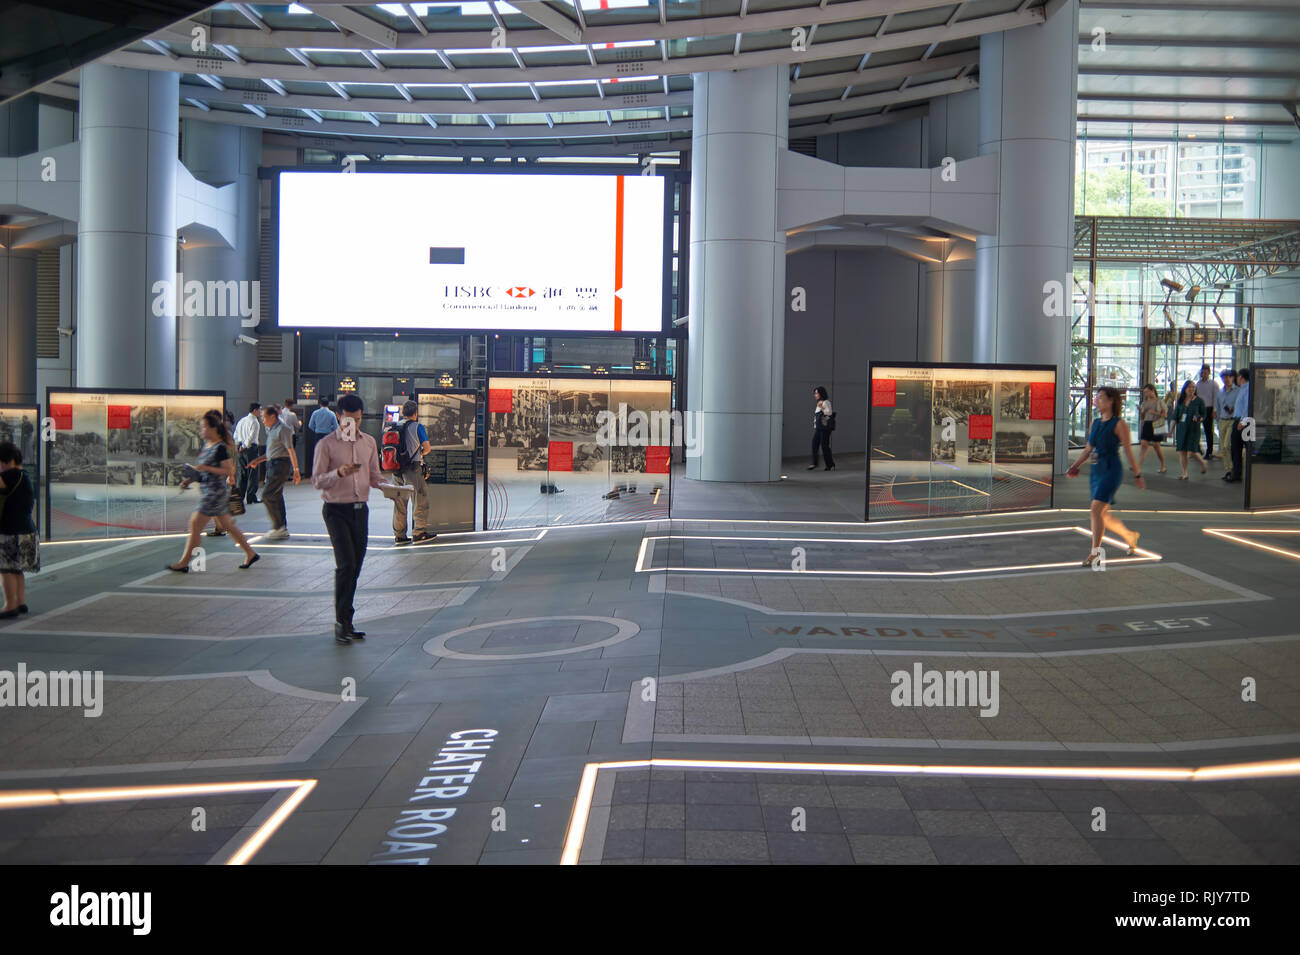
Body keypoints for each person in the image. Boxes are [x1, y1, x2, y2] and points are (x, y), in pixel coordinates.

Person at [312, 394, 384, 645]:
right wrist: (339, 473)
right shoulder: (326, 445)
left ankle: (347, 620)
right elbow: (317, 480)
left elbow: (375, 476)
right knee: (346, 564)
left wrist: (393, 488)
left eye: (358, 419)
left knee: (356, 566)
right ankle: (341, 621)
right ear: (339, 416)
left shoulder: (369, 443)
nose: (354, 424)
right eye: (349, 420)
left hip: (360, 510)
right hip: (335, 510)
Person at [167, 411, 259, 573]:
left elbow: (227, 469)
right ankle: (250, 553)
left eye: (203, 427)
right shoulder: (207, 446)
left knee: (195, 524)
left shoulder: (220, 448)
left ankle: (184, 562)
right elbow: (204, 471)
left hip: (214, 494)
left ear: (212, 428)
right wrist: (191, 478)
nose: (201, 430)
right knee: (227, 525)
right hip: (209, 490)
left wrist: (206, 468)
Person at [1066, 387, 1144, 566]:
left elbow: (1128, 452)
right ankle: (1130, 535)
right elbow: (1087, 450)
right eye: (1096, 397)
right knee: (1104, 515)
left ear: (1111, 402)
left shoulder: (1119, 424)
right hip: (1097, 470)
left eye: (1100, 398)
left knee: (1095, 509)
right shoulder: (1095, 423)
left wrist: (1137, 474)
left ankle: (1096, 554)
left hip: (1111, 470)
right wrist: (1074, 466)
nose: (1096, 400)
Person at [245, 405, 300, 540]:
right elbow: (271, 452)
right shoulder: (271, 430)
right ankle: (281, 527)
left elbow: (290, 450)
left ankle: (278, 526)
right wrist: (258, 460)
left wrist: (296, 470)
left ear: (272, 416)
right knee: (276, 495)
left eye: (264, 417)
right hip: (272, 464)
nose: (262, 419)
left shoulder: (283, 429)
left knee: (267, 495)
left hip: (280, 465)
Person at [0, 442, 39, 619]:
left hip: (9, 531)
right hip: (27, 530)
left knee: (5, 568)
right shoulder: (26, 476)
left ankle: (10, 605)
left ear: (6, 461)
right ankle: (20, 601)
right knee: (18, 569)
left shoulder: (7, 477)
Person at [391, 400, 436, 545]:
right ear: (415, 413)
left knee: (399, 502)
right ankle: (419, 533)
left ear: (403, 413)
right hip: (412, 469)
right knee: (420, 499)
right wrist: (420, 454)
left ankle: (400, 536)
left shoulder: (394, 426)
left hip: (396, 470)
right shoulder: (418, 427)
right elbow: (427, 447)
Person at [1172, 380, 1208, 479]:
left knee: (1192, 450)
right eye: (1189, 387)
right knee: (1182, 451)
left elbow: (1204, 414)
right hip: (1181, 429)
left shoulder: (1199, 401)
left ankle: (1203, 462)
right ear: (1185, 389)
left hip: (1193, 429)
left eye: (1193, 387)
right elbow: (1175, 417)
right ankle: (1184, 473)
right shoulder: (1180, 401)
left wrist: (1200, 418)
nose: (1192, 389)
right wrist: (1170, 430)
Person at [233, 402, 263, 505]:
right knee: (252, 474)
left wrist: (238, 446)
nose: (261, 412)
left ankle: (239, 496)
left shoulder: (242, 420)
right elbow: (251, 437)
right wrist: (244, 446)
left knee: (242, 473)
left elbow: (236, 434)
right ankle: (251, 497)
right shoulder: (255, 422)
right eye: (260, 410)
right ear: (255, 410)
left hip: (241, 449)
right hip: (251, 449)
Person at [1225, 368, 1250, 484]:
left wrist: (1243, 421)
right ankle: (1236, 473)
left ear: (1241, 377)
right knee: (1235, 448)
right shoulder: (1242, 389)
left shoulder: (1248, 388)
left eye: (1237, 377)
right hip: (1238, 420)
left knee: (1242, 448)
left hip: (1243, 422)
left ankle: (1239, 473)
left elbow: (1248, 406)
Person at [1136, 383, 1167, 474]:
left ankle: (1162, 465)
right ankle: (1138, 466)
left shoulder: (1160, 401)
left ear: (1152, 390)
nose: (1146, 394)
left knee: (1156, 446)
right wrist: (1141, 411)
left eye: (1147, 392)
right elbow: (1142, 417)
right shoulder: (1144, 403)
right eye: (1145, 392)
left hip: (1157, 424)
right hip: (1147, 423)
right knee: (1143, 444)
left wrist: (1153, 412)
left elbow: (1164, 415)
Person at [304, 396, 338, 479]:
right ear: (328, 404)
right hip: (328, 436)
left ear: (320, 404)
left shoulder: (315, 413)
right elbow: (336, 427)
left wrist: (316, 429)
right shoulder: (331, 413)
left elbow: (310, 425)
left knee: (318, 454)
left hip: (318, 435)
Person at [1195, 364, 1220, 459]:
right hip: (1199, 409)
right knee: (1196, 429)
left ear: (1209, 373)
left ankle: (1209, 451)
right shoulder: (1198, 384)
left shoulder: (1213, 384)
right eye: (1202, 372)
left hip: (1209, 409)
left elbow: (1216, 398)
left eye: (1205, 372)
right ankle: (1198, 449)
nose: (1203, 374)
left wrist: (1214, 410)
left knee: (1208, 430)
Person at [1214, 369, 1237, 474]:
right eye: (1224, 377)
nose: (1226, 379)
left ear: (1232, 378)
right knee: (1223, 447)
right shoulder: (1220, 393)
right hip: (1222, 421)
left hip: (1232, 421)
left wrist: (1233, 409)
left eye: (1228, 377)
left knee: (1227, 445)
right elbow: (1218, 408)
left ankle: (1232, 468)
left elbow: (1240, 406)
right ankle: (1228, 469)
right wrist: (1218, 421)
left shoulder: (1238, 391)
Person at [808, 386, 835, 471]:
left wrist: (822, 407)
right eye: (815, 393)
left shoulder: (825, 402)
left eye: (816, 393)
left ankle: (830, 464)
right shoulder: (819, 403)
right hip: (819, 428)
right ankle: (814, 463)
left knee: (824, 446)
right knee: (814, 444)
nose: (815, 395)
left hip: (824, 429)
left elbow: (829, 413)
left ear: (821, 393)